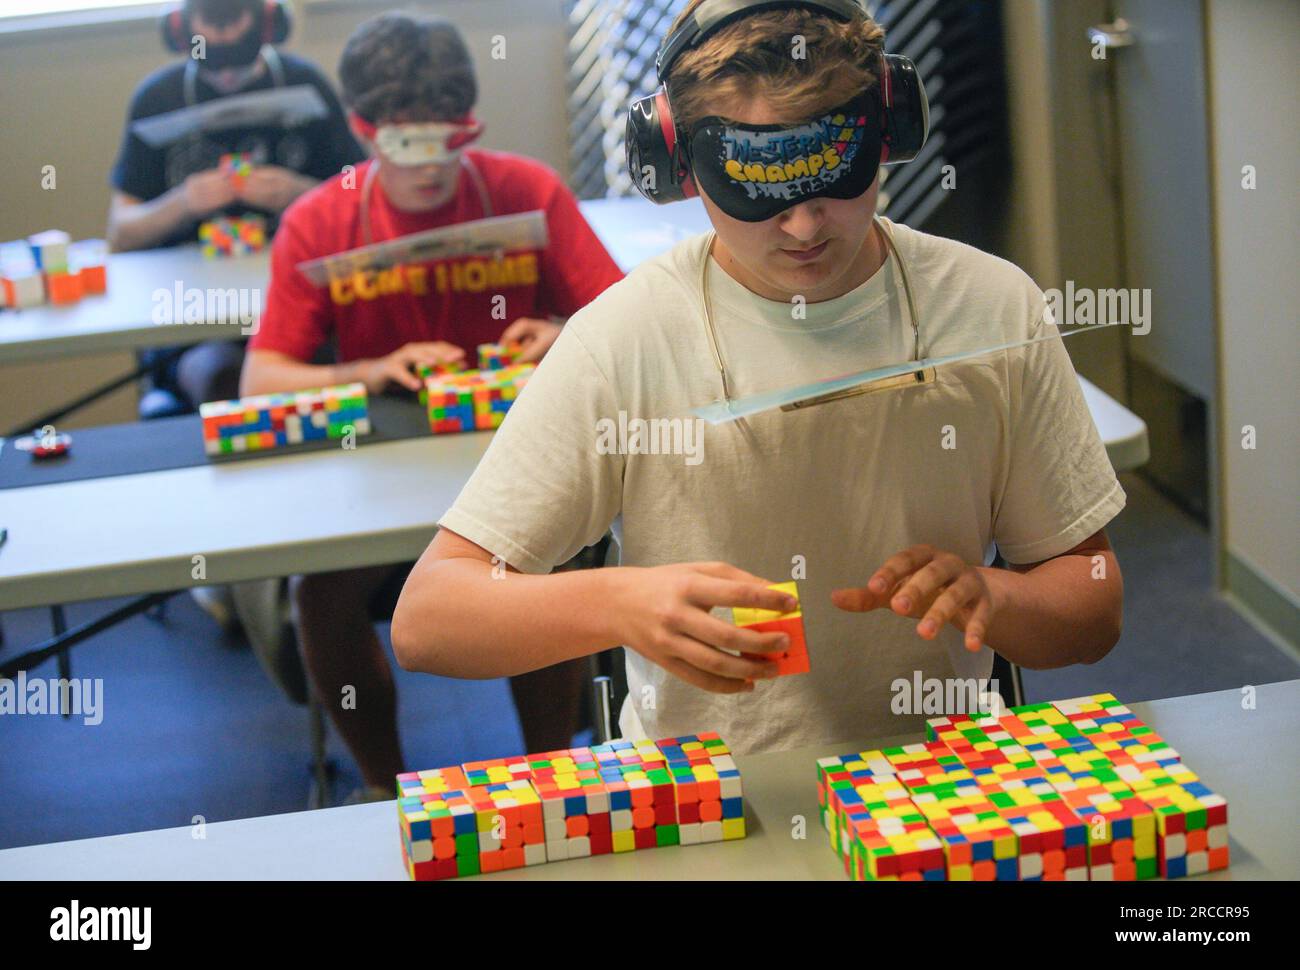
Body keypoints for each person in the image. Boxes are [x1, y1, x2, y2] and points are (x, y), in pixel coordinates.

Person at [390, 0, 1127, 756]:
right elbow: (430, 618)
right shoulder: (625, 338)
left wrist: (996, 595)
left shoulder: (991, 307)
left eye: (833, 177)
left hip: (934, 783)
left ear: (888, 126)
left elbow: (1092, 600)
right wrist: (616, 601)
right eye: (759, 190)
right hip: (709, 792)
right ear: (676, 161)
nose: (805, 228)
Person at [240, 12, 625, 798]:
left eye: (450, 140)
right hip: (380, 471)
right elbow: (262, 378)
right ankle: (384, 787)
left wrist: (562, 333)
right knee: (322, 593)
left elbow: (627, 322)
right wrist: (371, 369)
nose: (429, 167)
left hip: (513, 456)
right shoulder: (318, 220)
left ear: (470, 126)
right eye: (404, 145)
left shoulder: (526, 190)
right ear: (361, 129)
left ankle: (551, 775)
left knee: (547, 566)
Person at [107, 0, 363, 411]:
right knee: (219, 376)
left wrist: (298, 194)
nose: (227, 77)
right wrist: (184, 202)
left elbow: (364, 200)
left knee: (313, 364)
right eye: (214, 64)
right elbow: (121, 232)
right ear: (182, 29)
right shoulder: (158, 97)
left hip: (298, 307)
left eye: (237, 64)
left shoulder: (305, 83)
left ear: (266, 23)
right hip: (192, 318)